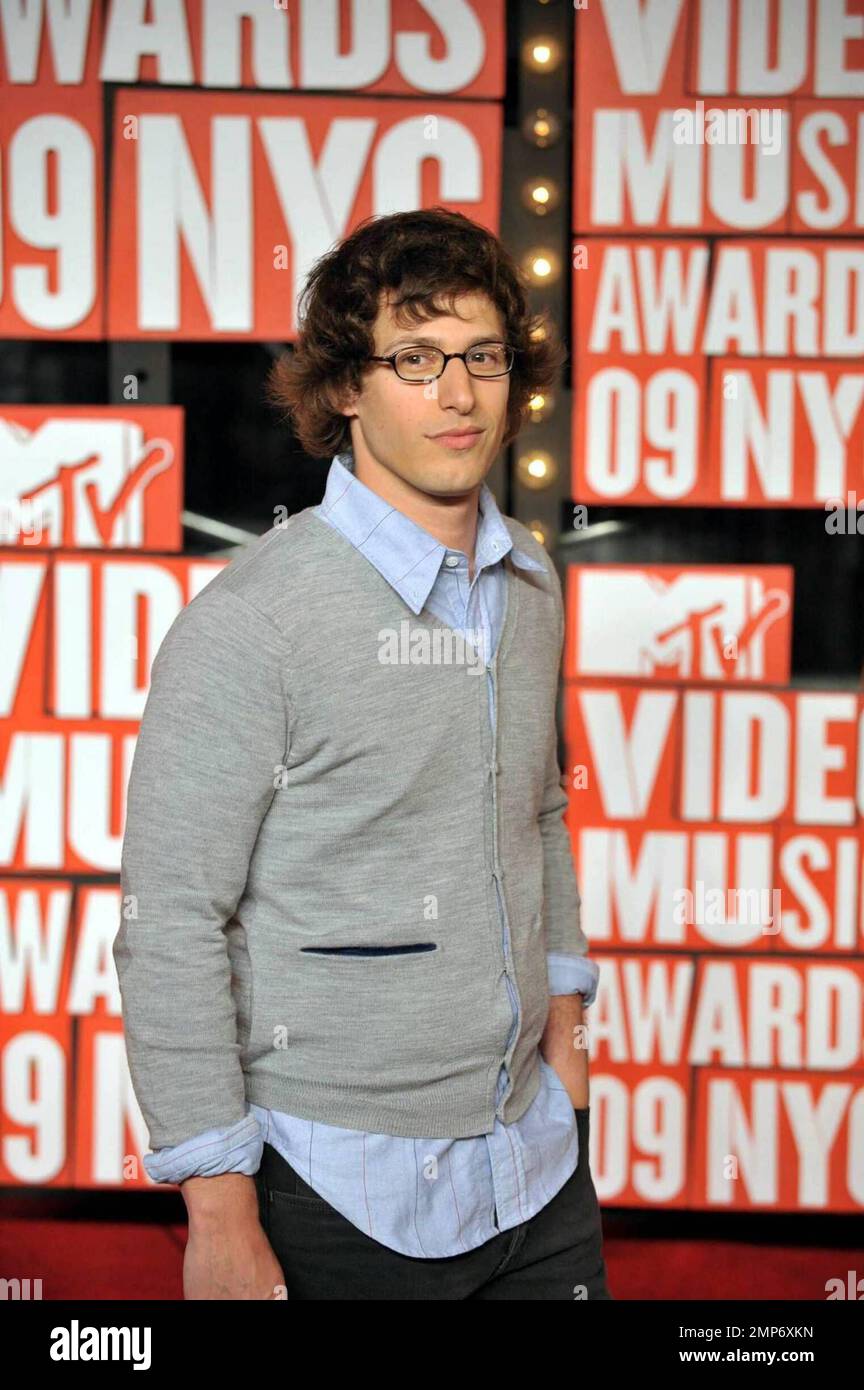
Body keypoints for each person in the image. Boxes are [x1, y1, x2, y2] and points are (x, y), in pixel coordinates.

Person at [113, 206, 613, 1301]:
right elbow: (172, 920)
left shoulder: (531, 580)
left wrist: (566, 1040)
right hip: (337, 1194)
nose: (458, 393)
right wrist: (219, 1205)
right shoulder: (258, 618)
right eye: (415, 357)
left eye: (482, 355)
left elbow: (538, 810)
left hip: (536, 1168)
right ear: (345, 387)